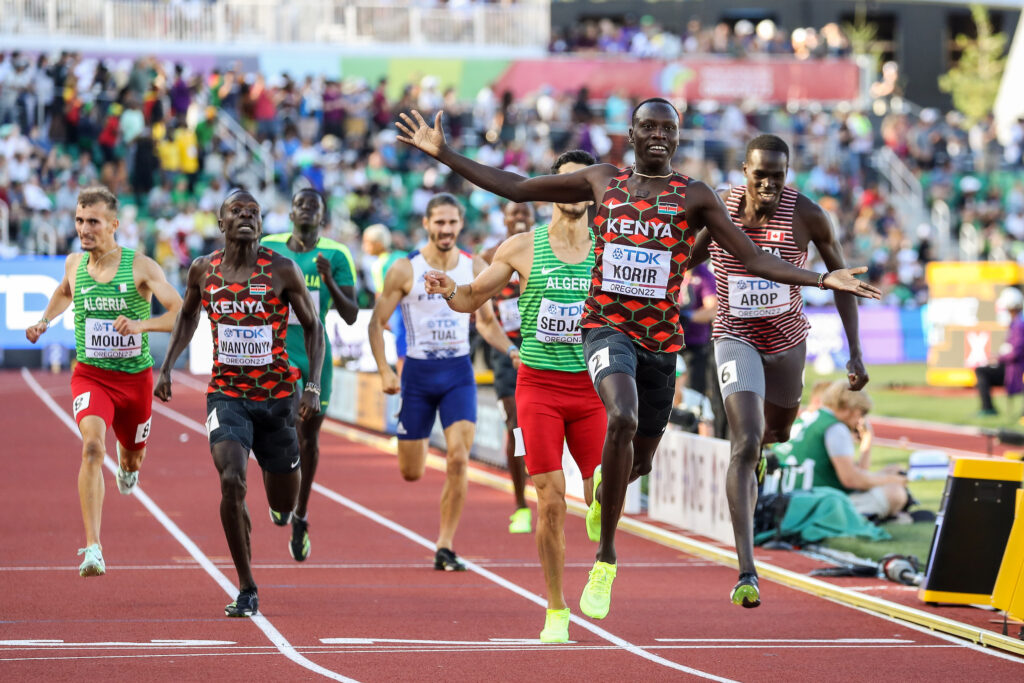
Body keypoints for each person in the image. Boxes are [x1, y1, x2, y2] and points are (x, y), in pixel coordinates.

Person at [395, 100, 880, 619]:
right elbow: (515, 186)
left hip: (660, 343)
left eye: (666, 128)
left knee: (641, 457)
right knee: (620, 416)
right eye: (647, 126)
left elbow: (754, 257)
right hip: (606, 329)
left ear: (676, 138)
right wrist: (445, 153)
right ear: (630, 133)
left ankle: (609, 487)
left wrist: (822, 278)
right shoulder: (604, 181)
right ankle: (605, 559)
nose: (656, 135)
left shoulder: (695, 196)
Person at [425, 150, 605, 643]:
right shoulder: (522, 247)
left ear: (592, 195)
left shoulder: (608, 247)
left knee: (601, 494)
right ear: (550, 190)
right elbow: (471, 298)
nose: (572, 196)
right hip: (539, 388)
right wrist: (447, 289)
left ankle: (602, 543)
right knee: (549, 502)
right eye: (563, 186)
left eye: (581, 188)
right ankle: (556, 609)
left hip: (592, 389)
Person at [689, 133, 874, 608]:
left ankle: (764, 451)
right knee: (744, 441)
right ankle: (747, 569)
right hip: (734, 337)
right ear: (744, 172)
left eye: (778, 174)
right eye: (760, 174)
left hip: (788, 341)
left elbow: (843, 282)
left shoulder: (808, 214)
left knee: (777, 434)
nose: (769, 183)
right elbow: (686, 256)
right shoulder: (721, 208)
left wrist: (855, 351)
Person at [154, 190, 324, 618]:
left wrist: (314, 386)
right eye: (237, 211)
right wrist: (167, 366)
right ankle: (247, 586)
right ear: (221, 223)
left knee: (284, 503)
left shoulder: (282, 270)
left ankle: (279, 507)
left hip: (276, 400)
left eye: (254, 212)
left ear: (262, 224)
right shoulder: (203, 270)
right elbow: (188, 315)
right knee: (231, 478)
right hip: (227, 395)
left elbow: (313, 327)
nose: (246, 217)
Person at [25, 186, 182, 577]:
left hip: (134, 383)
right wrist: (45, 321)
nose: (84, 228)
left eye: (93, 221)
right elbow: (64, 293)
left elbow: (180, 312)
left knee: (131, 456)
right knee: (93, 448)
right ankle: (93, 547)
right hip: (91, 376)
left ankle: (129, 469)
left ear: (114, 224)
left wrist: (141, 325)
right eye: (79, 220)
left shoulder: (142, 267)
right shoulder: (74, 264)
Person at [367, 193, 515, 571]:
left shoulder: (474, 265)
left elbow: (484, 322)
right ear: (427, 225)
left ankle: (445, 545)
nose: (446, 230)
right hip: (416, 376)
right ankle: (413, 440)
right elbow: (375, 320)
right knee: (411, 472)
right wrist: (385, 370)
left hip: (457, 374)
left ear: (460, 225)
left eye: (452, 223)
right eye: (439, 223)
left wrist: (512, 350)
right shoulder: (404, 269)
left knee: (458, 458)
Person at [261, 188, 359, 561]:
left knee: (308, 439)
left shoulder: (335, 254)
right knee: (280, 426)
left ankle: (299, 514)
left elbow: (350, 314)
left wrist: (328, 279)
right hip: (276, 351)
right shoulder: (269, 246)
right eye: (300, 204)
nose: (306, 211)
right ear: (290, 213)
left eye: (313, 207)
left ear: (322, 217)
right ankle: (280, 493)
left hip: (316, 352)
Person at [479, 201, 536, 534]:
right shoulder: (489, 256)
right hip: (505, 351)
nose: (518, 219)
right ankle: (520, 505)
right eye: (513, 214)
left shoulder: (543, 249)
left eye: (524, 214)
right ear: (503, 218)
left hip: (540, 346)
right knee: (515, 425)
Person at [772, 381, 908, 519]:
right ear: (849, 408)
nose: (861, 419)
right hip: (812, 502)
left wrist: (867, 443)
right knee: (895, 493)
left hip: (785, 496)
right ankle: (860, 517)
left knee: (892, 470)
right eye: (862, 412)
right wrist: (891, 480)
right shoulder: (835, 428)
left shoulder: (806, 419)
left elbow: (856, 474)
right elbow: (851, 480)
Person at [363, 223, 408, 371]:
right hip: (412, 308)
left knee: (402, 355)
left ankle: (405, 390)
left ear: (378, 244)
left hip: (398, 313)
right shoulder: (401, 255)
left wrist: (382, 320)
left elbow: (382, 296)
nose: (364, 247)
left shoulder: (379, 265)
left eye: (367, 243)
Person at [974, 286, 1024, 417]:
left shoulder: (1019, 325)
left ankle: (987, 407)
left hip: (1015, 369)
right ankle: (987, 407)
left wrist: (998, 358)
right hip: (1012, 366)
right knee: (982, 370)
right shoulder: (1016, 323)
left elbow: (1015, 353)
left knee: (982, 371)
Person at [670, 356, 715, 437]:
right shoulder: (658, 401)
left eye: (676, 374)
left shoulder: (701, 401)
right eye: (669, 375)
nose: (672, 380)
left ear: (685, 376)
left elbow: (707, 436)